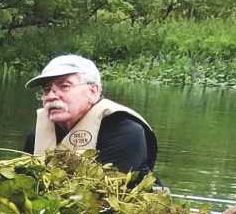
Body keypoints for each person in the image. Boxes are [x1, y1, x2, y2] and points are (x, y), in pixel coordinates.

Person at [23, 54, 157, 179]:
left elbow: (107, 191)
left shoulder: (124, 132)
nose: (50, 96)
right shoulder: (36, 137)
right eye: (46, 90)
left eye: (64, 86)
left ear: (93, 91)